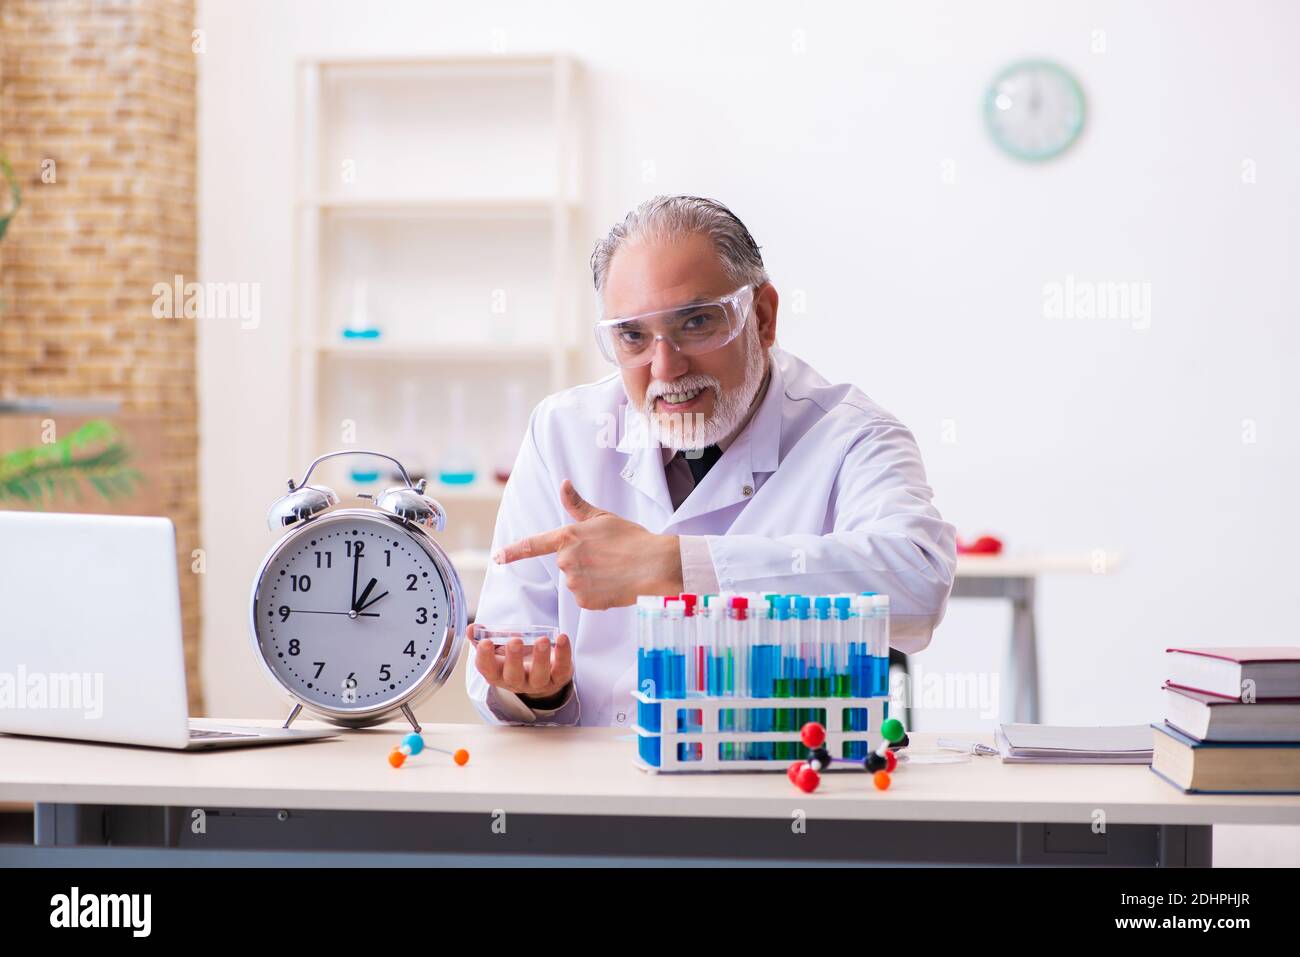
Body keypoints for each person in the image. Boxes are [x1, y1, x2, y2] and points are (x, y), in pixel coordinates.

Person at [467, 195, 955, 726]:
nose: (666, 367)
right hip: (597, 787)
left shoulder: (850, 434)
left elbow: (917, 584)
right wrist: (540, 691)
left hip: (780, 788)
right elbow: (505, 646)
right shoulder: (564, 431)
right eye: (633, 335)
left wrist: (678, 567)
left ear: (762, 317)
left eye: (696, 323)